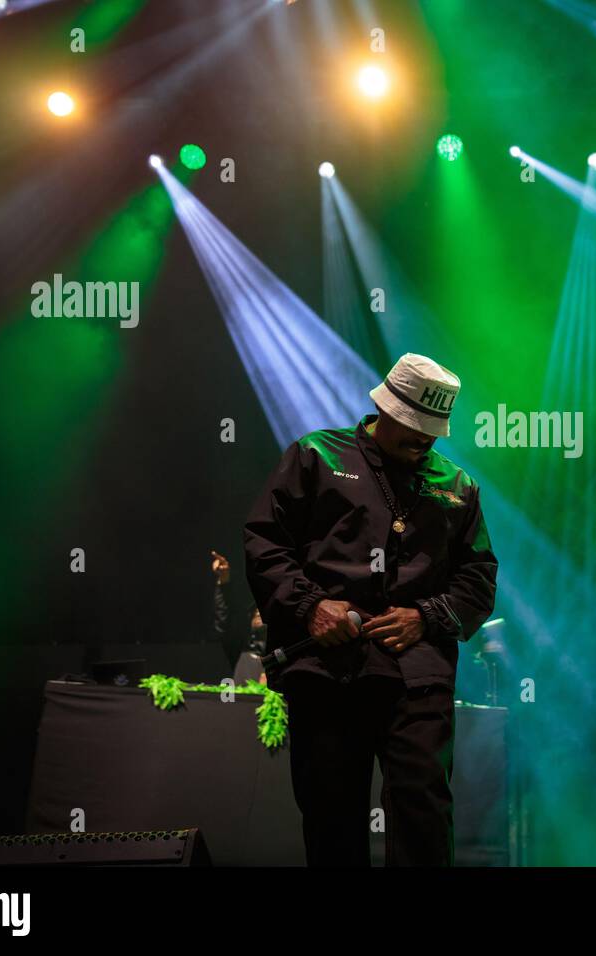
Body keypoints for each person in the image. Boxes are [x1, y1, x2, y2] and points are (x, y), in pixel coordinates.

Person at [243, 353, 498, 866]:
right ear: (385, 407)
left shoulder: (457, 485)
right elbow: (266, 543)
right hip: (327, 666)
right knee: (331, 814)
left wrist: (426, 616)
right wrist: (312, 605)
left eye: (432, 430)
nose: (422, 439)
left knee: (424, 812)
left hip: (418, 671)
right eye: (411, 426)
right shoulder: (315, 456)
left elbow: (477, 578)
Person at [210, 549, 267, 685]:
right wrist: (223, 581)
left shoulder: (284, 649)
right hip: (240, 701)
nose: (259, 613)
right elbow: (224, 620)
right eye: (256, 611)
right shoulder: (239, 646)